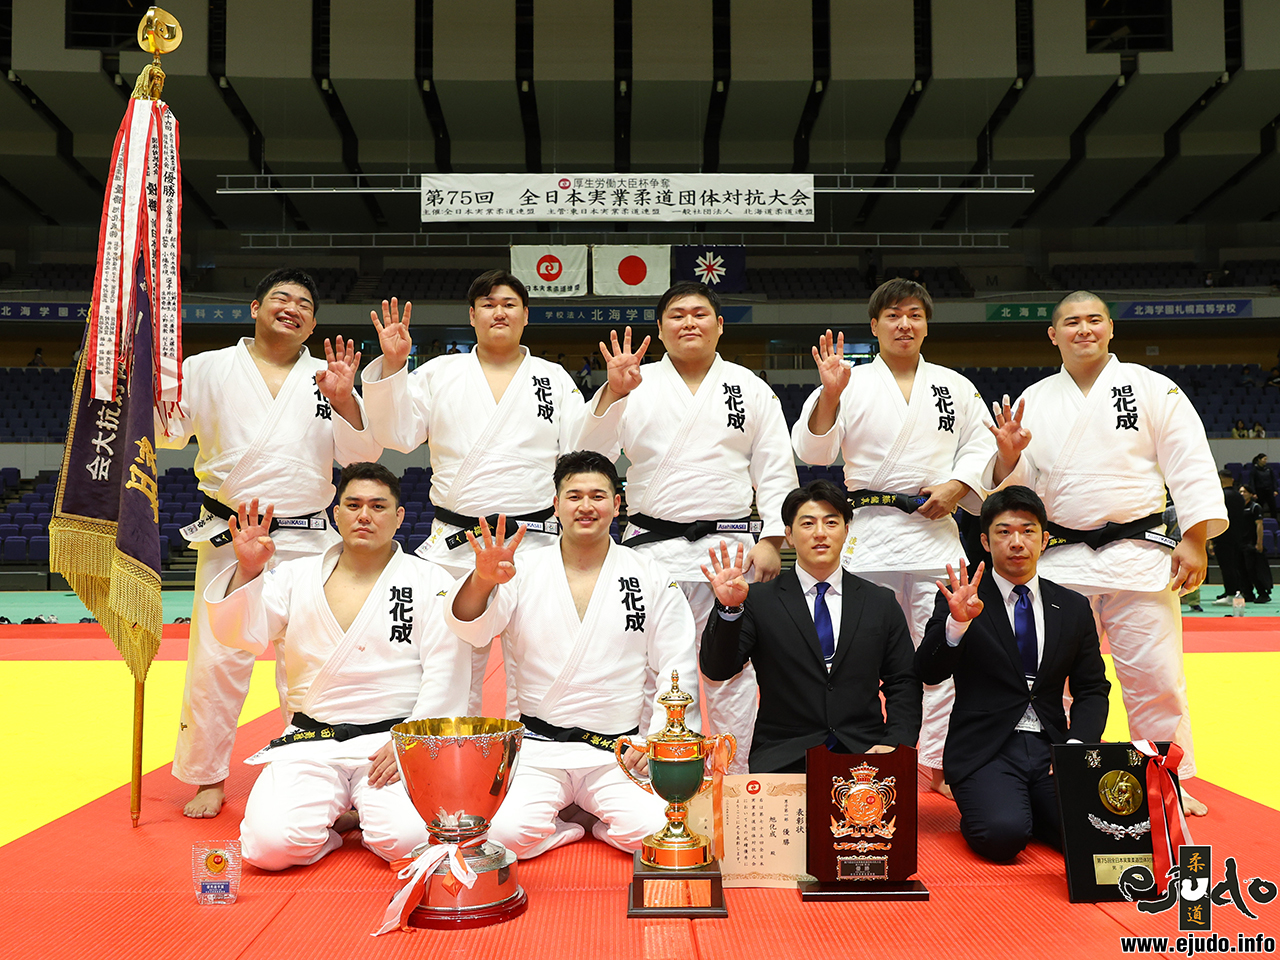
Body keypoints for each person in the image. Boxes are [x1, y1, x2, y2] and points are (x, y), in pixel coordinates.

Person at [988, 290, 1227, 816]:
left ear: (1111, 328)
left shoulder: (1153, 388)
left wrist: (1194, 537)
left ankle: (1169, 780)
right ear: (1053, 335)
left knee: (1156, 676)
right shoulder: (1036, 397)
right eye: (1070, 322)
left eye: (1094, 320)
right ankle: (1049, 771)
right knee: (1051, 679)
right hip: (1061, 561)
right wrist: (1007, 457)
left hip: (1138, 556)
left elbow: (1188, 462)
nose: (1084, 330)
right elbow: (1020, 489)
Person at [157, 268, 381, 818]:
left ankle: (318, 771)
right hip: (231, 534)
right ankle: (208, 776)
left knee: (311, 658)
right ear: (255, 306)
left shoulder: (327, 376)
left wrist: (347, 400)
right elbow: (167, 434)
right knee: (216, 658)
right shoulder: (203, 369)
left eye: (305, 303)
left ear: (313, 322)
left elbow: (362, 455)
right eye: (282, 298)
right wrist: (150, 381)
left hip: (307, 536)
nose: (293, 308)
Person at [203, 463, 470, 870]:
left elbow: (446, 673)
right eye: (354, 504)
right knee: (268, 848)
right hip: (311, 740)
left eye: (378, 506)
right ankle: (337, 827)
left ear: (399, 517)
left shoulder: (431, 579)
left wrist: (410, 743)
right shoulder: (293, 576)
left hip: (390, 745)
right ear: (336, 513)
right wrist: (248, 570)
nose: (365, 515)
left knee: (410, 841)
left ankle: (362, 814)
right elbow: (240, 633)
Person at [579, 280, 798, 774]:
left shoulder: (750, 388)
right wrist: (612, 393)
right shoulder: (633, 384)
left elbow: (776, 467)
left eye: (700, 314)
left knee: (731, 671)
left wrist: (771, 541)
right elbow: (589, 452)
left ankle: (735, 776)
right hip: (651, 551)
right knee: (650, 669)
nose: (689, 323)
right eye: (676, 315)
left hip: (730, 551)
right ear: (659, 329)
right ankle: (655, 776)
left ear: (720, 326)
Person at [791, 278, 996, 797]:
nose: (904, 324)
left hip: (935, 535)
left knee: (947, 650)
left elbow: (979, 448)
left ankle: (939, 763)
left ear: (926, 324)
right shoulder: (848, 381)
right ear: (875, 325)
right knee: (855, 657)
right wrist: (830, 397)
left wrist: (958, 484)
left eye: (914, 315)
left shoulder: (954, 385)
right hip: (870, 538)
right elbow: (814, 452)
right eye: (892, 315)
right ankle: (855, 754)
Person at [445, 451, 698, 859]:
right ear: (556, 504)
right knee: (505, 836)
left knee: (658, 834)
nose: (586, 506)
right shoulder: (519, 569)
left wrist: (655, 742)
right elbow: (472, 627)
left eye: (598, 496)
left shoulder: (649, 574)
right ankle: (570, 826)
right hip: (538, 747)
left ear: (618, 505)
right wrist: (480, 581)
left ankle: (594, 819)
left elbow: (677, 663)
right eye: (574, 495)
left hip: (618, 751)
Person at [361, 270, 585, 714]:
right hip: (456, 545)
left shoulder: (552, 377)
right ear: (471, 315)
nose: (498, 311)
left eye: (508, 304)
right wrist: (392, 369)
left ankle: (533, 764)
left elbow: (582, 449)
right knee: (450, 670)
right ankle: (453, 768)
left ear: (525, 316)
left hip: (534, 544)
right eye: (487, 303)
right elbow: (397, 433)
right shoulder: (438, 373)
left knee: (542, 663)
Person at [916, 486, 1110, 862]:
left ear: (1045, 539)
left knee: (1097, 833)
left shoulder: (1070, 606)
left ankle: (1030, 804)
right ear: (986, 542)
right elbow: (928, 671)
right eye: (1004, 532)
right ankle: (1006, 804)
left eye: (1028, 531)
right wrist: (956, 625)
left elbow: (1093, 688)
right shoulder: (962, 598)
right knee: (1002, 837)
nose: (1017, 542)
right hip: (985, 750)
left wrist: (1075, 749)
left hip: (1052, 747)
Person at [699, 480, 921, 773]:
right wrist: (729, 609)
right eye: (807, 523)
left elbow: (903, 680)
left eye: (831, 523)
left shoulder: (879, 602)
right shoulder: (759, 600)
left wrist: (895, 743)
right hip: (784, 756)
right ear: (788, 535)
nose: (820, 533)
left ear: (846, 530)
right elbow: (717, 669)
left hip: (866, 752)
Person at [1210, 470, 1250, 603]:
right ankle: (1236, 591)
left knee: (1226, 566)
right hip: (1237, 535)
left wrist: (1211, 539)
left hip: (1223, 536)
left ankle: (1231, 594)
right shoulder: (1239, 496)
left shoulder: (1220, 496)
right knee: (1234, 565)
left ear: (1220, 479)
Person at [1240, 485, 1272, 603]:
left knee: (1253, 570)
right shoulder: (1238, 507)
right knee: (1242, 570)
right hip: (1241, 543)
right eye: (1240, 491)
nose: (1242, 493)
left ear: (1250, 494)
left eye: (1245, 491)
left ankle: (1263, 593)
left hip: (1251, 544)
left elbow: (1259, 525)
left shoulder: (1255, 507)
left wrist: (1259, 543)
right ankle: (1248, 593)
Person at [1250, 453, 1276, 517]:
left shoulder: (1269, 469)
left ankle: (1275, 520)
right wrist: (1254, 492)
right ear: (1259, 460)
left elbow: (1273, 479)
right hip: (1260, 491)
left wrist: (1275, 489)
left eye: (1266, 459)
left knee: (1273, 506)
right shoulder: (1254, 470)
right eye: (1264, 459)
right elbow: (1252, 481)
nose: (1265, 461)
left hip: (1269, 490)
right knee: (1260, 507)